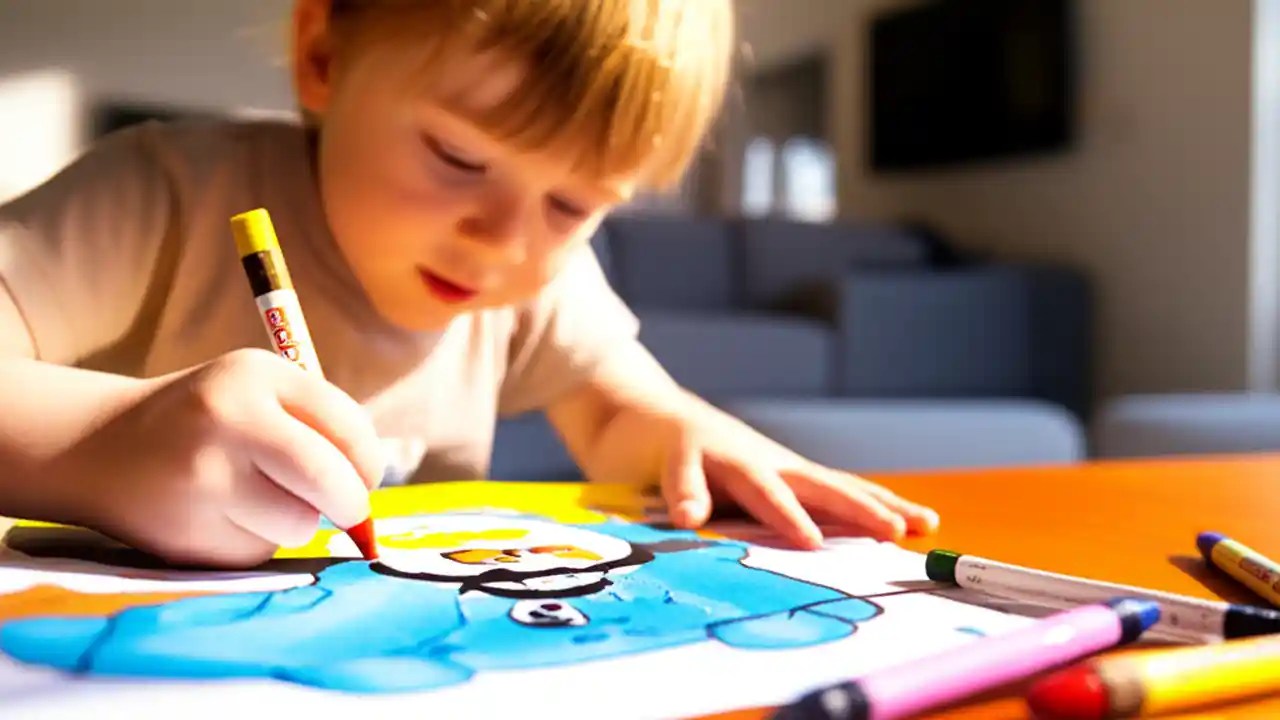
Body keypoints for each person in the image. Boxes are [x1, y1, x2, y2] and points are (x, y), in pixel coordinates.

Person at [0, 0, 938, 569]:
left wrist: (696, 440)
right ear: (324, 56)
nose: (504, 240)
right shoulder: (165, 194)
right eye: (457, 156)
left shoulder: (538, 283)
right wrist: (102, 448)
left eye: (573, 205)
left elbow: (621, 417)